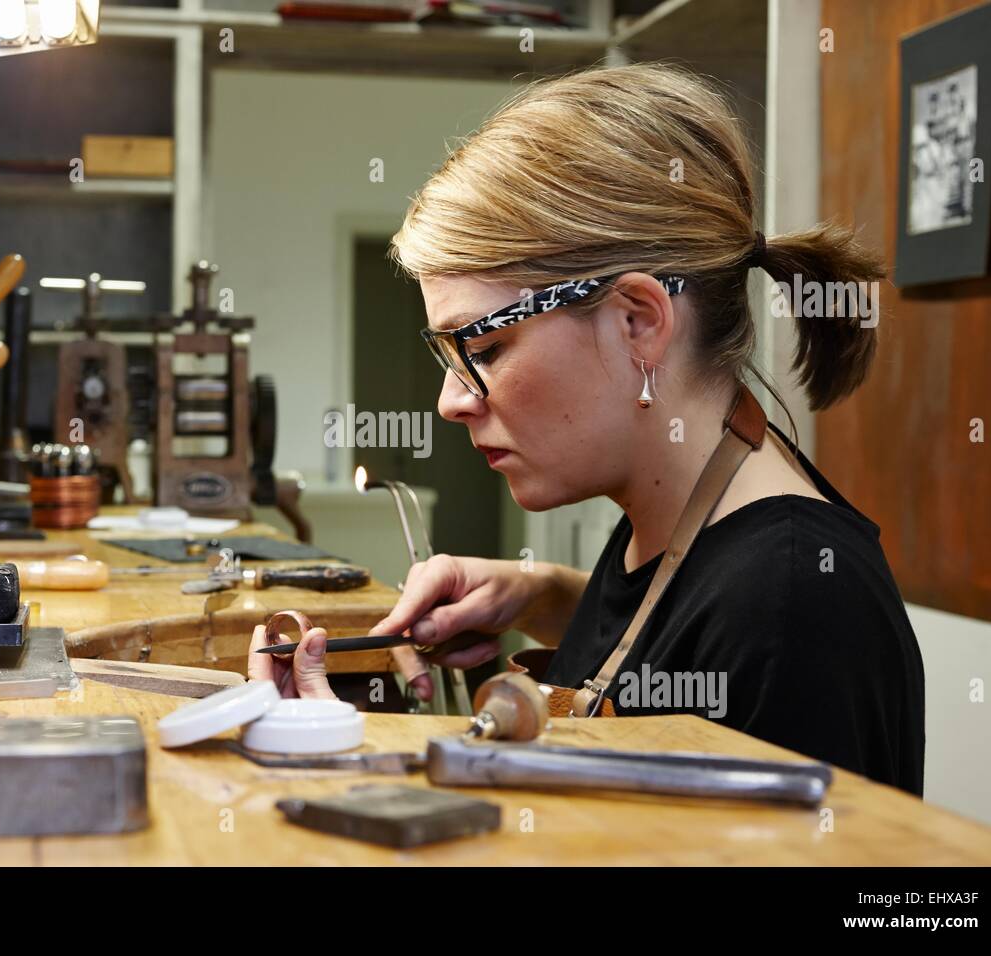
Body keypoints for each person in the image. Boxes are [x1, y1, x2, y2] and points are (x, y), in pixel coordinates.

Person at [250, 63, 925, 796]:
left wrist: (362, 775)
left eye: (483, 349)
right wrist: (544, 596)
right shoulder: (673, 519)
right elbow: (680, 645)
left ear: (639, 320)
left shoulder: (794, 606)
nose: (450, 402)